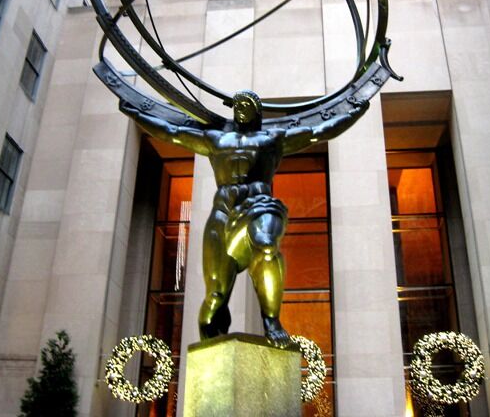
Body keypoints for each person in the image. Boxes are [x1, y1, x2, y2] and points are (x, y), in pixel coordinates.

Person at [123, 90, 367, 347]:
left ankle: (271, 321)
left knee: (266, 245)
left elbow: (320, 130)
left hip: (257, 207)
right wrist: (133, 112)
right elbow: (171, 132)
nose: (240, 108)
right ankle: (213, 350)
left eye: (247, 104)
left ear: (257, 111)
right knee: (214, 300)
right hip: (222, 215)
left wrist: (356, 110)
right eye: (237, 104)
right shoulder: (216, 139)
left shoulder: (272, 139)